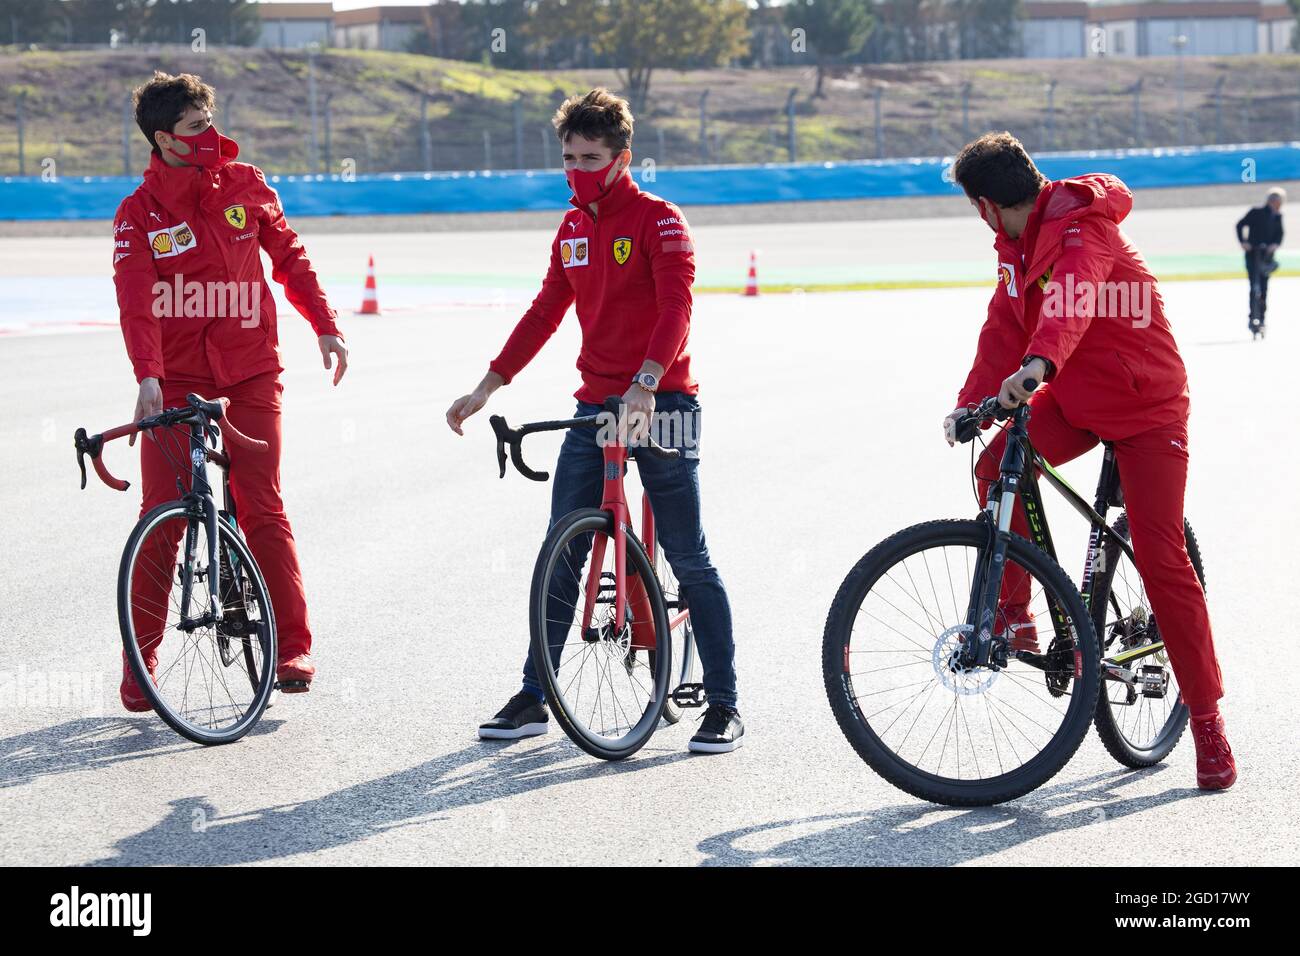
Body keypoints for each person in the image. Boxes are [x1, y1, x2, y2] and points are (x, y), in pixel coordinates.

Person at [445, 88, 742, 754]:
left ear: (621, 157)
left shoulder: (660, 220)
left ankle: (723, 704)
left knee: (690, 554)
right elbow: (544, 312)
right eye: (569, 158)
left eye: (591, 157)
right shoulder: (572, 228)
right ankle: (535, 694)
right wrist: (487, 385)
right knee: (563, 546)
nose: (578, 169)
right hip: (596, 407)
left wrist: (645, 384)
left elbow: (676, 311)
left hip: (662, 403)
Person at [940, 132, 1235, 790]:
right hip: (1073, 400)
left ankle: (1210, 723)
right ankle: (1017, 618)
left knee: (1160, 556)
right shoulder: (1013, 245)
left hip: (1146, 407)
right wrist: (971, 404)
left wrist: (1039, 364)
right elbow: (1001, 325)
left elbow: (1073, 297)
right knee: (994, 470)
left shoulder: (1080, 225)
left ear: (986, 205)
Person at [111, 71, 348, 709]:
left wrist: (325, 326)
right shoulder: (138, 214)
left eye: (209, 121)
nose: (209, 135)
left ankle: (293, 645)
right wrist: (148, 375)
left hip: (250, 372)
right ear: (164, 140)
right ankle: (142, 662)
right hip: (177, 379)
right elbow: (135, 301)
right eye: (194, 128)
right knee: (160, 519)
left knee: (263, 505)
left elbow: (291, 259)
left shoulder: (246, 184)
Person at [1236, 188, 1284, 335]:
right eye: (1279, 202)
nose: (1280, 205)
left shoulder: (1277, 217)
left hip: (1266, 257)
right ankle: (1252, 318)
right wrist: (1244, 242)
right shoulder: (1256, 212)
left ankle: (1262, 319)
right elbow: (1240, 225)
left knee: (1264, 288)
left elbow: (1280, 234)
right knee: (1254, 287)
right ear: (1273, 201)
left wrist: (1275, 245)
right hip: (1253, 255)